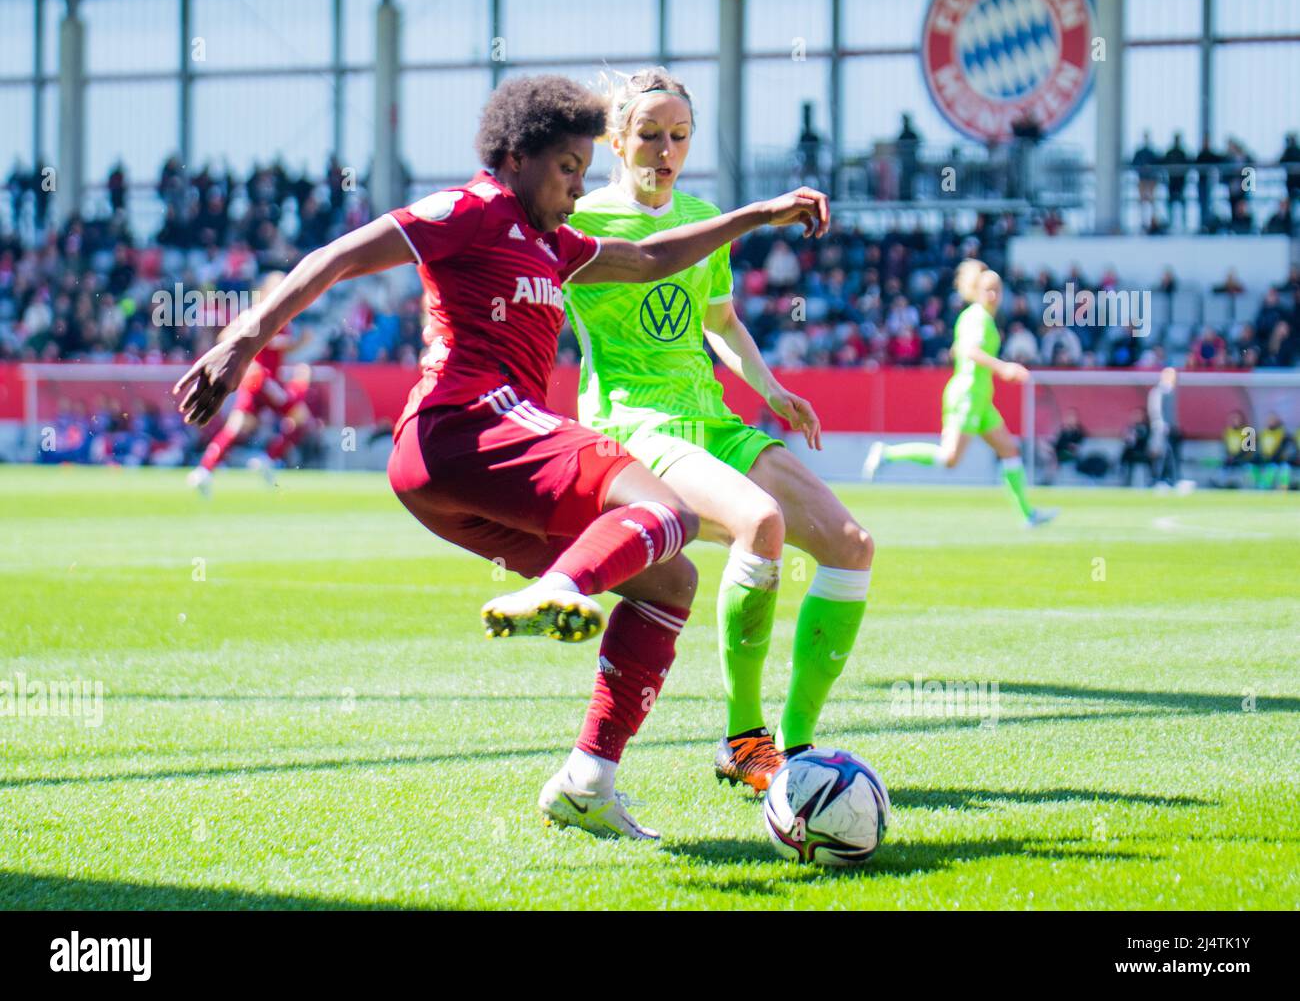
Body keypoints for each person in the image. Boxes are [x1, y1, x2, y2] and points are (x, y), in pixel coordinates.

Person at [173, 74, 830, 841]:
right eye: (567, 170)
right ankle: (560, 586)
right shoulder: (474, 209)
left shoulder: (553, 241)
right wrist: (242, 342)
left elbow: (650, 260)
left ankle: (588, 781)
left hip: (455, 477)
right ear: (516, 158)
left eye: (586, 171)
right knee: (666, 509)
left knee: (669, 578)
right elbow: (340, 256)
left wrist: (756, 214)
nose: (579, 188)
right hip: (461, 422)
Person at [562, 69, 872, 794]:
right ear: (615, 140)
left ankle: (798, 747)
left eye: (678, 136)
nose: (664, 151)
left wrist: (772, 389)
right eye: (648, 135)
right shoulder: (582, 221)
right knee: (758, 523)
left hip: (713, 420)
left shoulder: (701, 216)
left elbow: (721, 320)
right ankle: (744, 735)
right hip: (635, 424)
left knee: (851, 546)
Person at [864, 260, 1056, 527]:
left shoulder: (977, 318)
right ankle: (887, 453)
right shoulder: (978, 317)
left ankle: (1027, 514)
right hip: (967, 395)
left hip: (981, 398)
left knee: (1010, 451)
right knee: (949, 458)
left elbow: (958, 349)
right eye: (988, 289)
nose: (993, 295)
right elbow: (970, 351)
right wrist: (1004, 368)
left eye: (997, 290)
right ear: (977, 291)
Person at [185, 273, 315, 495]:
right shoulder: (256, 314)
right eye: (278, 287)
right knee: (301, 418)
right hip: (262, 381)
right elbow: (226, 336)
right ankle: (268, 458)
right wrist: (247, 350)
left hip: (262, 382)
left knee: (237, 427)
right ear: (265, 291)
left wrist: (296, 344)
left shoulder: (282, 317)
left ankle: (204, 470)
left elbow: (278, 346)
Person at [1147, 366, 1180, 486]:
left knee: (1169, 455)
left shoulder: (1170, 391)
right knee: (1160, 454)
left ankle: (1168, 480)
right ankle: (1157, 480)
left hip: (1169, 429)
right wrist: (1162, 425)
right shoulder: (1158, 391)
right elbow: (1156, 411)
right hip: (1161, 429)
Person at [1163, 132, 1190, 230]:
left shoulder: (1182, 153)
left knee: (1181, 201)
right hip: (1172, 180)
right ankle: (1170, 222)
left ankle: (1183, 223)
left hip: (1180, 181)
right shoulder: (1170, 152)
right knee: (1171, 201)